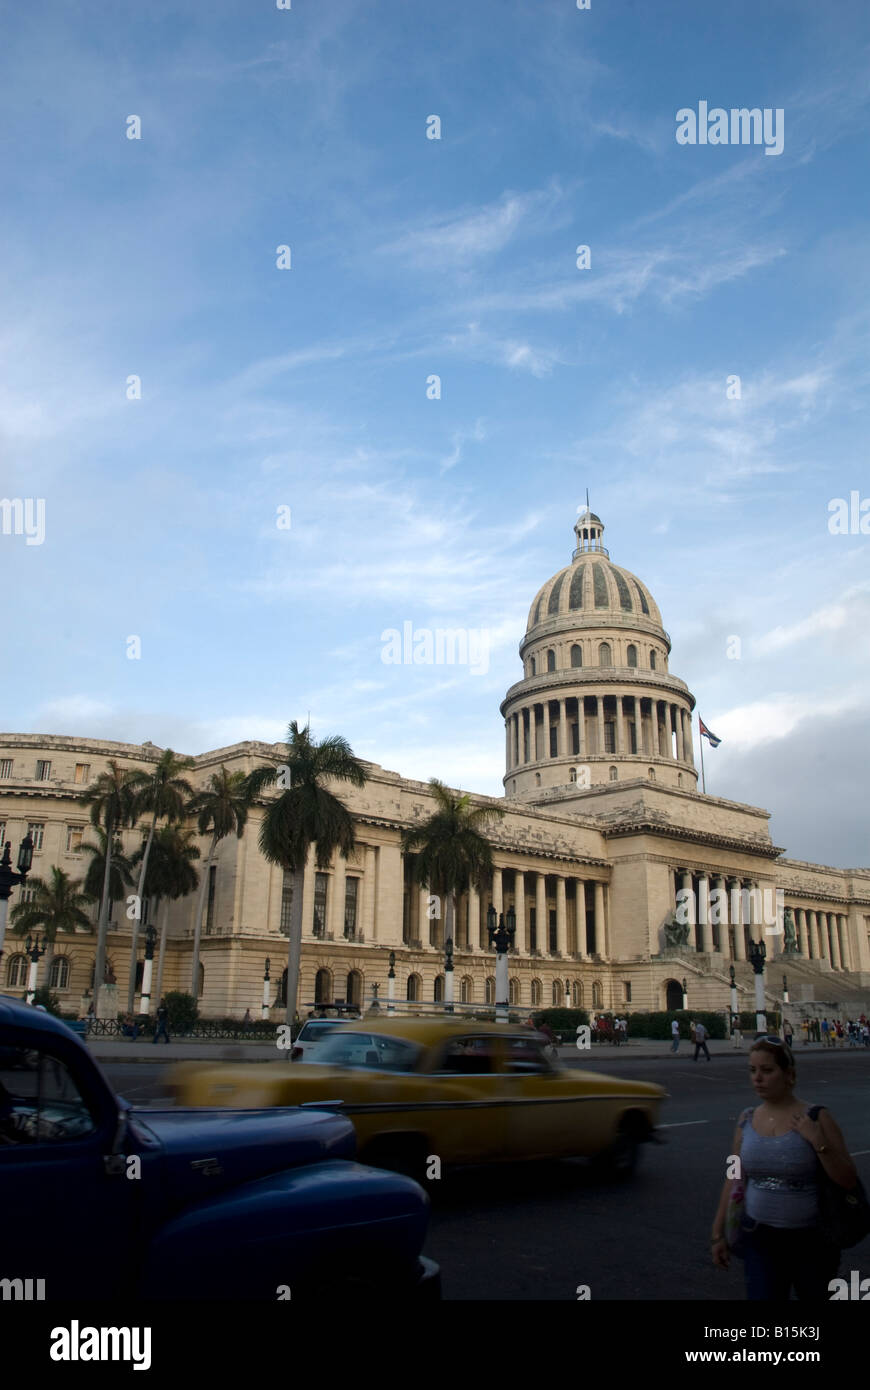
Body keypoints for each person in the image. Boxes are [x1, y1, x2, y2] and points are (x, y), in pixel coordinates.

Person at [710, 1036, 857, 1299]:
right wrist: (718, 1232)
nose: (758, 1078)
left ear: (789, 1074)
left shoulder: (817, 1117)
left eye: (767, 1070)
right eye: (753, 1071)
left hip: (811, 1242)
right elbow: (734, 1176)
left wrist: (817, 1140)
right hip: (760, 1239)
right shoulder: (745, 1120)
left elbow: (847, 1179)